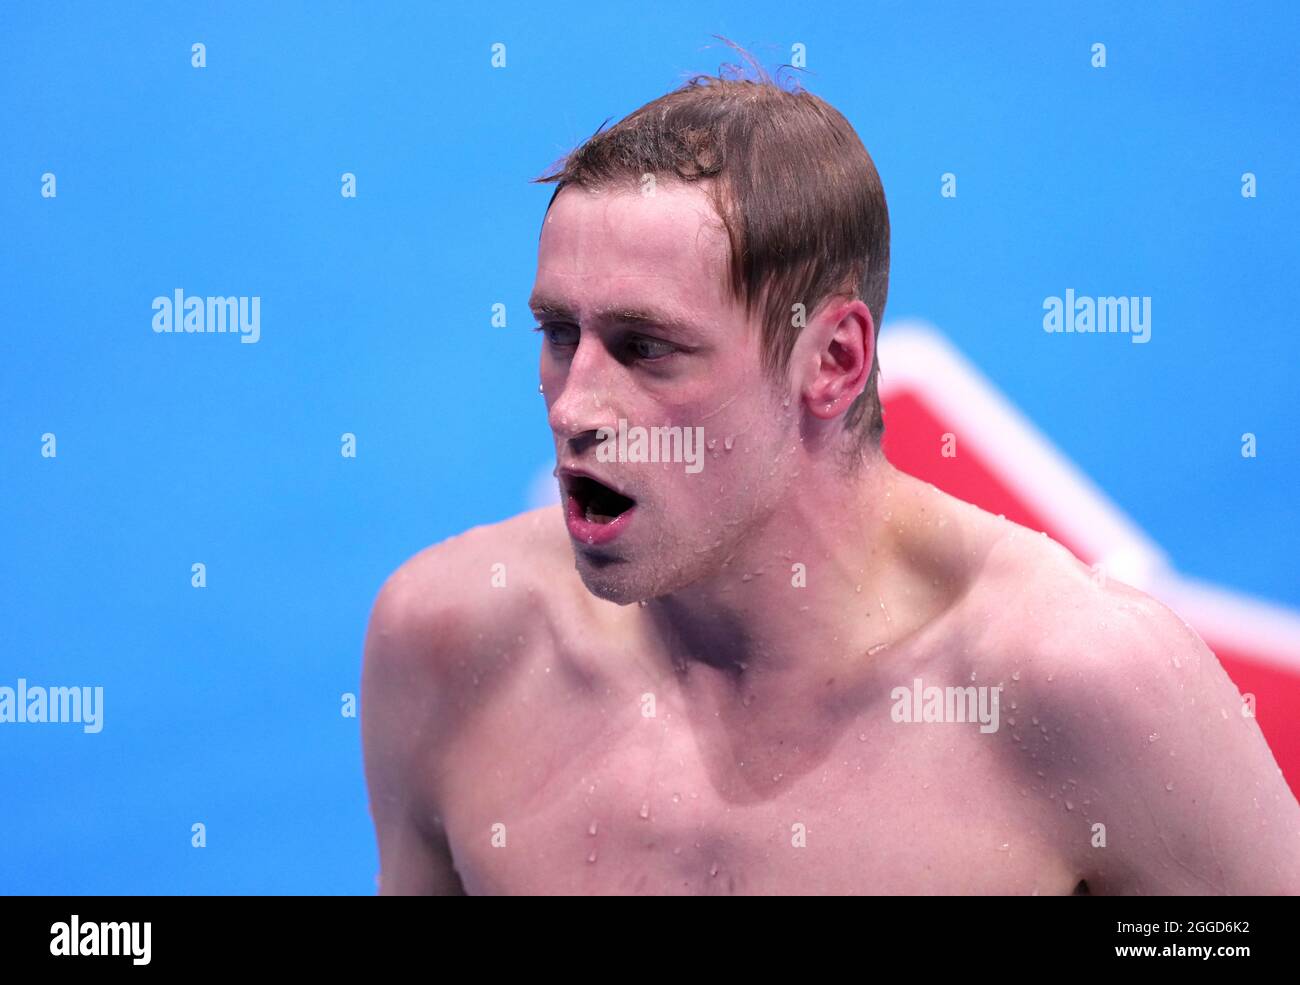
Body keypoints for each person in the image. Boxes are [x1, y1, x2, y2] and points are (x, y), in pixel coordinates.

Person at [361, 54, 1300, 895]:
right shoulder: (448, 645)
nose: (574, 406)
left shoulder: (1078, 685)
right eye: (560, 334)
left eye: (647, 349)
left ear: (834, 362)